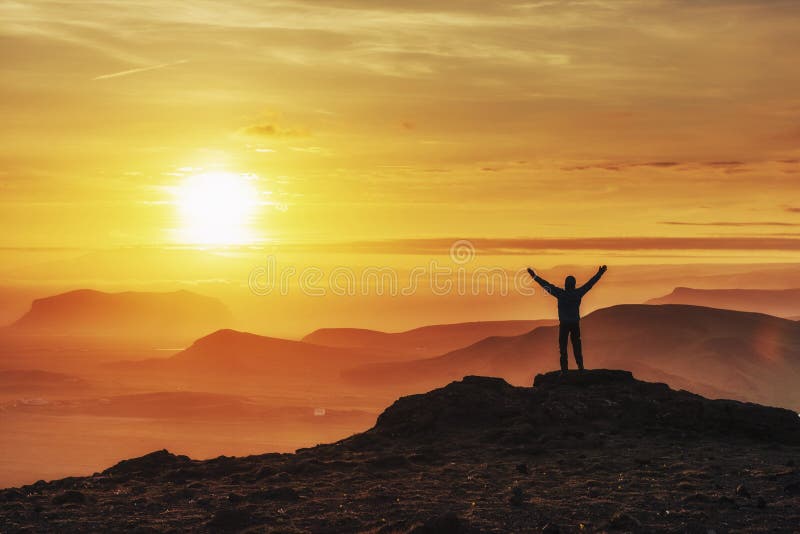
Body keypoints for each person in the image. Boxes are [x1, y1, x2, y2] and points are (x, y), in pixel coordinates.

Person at [527, 265, 607, 372]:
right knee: (576, 346)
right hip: (574, 324)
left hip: (564, 324)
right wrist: (600, 273)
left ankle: (565, 370)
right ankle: (580, 367)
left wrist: (534, 276)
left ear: (566, 284)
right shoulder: (577, 293)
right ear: (574, 285)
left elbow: (545, 285)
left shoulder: (560, 293)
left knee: (563, 347)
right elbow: (590, 284)